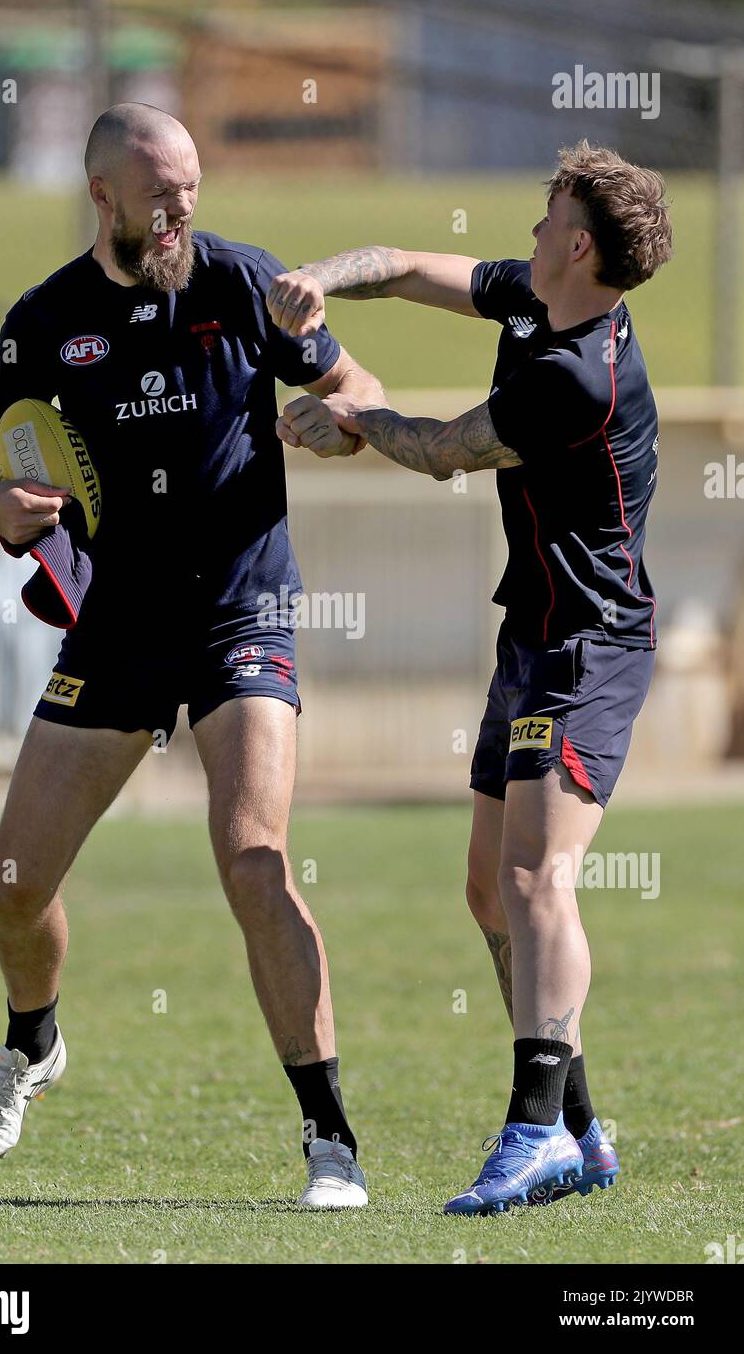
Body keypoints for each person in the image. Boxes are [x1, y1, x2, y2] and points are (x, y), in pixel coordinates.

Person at [0, 103, 384, 1209]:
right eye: (161, 190)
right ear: (105, 196)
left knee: (252, 858)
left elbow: (357, 389)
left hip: (240, 610)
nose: (182, 205)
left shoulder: (245, 284)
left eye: (192, 184)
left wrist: (334, 424)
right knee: (11, 884)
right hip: (116, 626)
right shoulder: (46, 320)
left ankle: (329, 1139)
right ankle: (31, 1041)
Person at [268, 141, 672, 1213]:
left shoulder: (573, 374)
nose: (529, 231)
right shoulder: (533, 304)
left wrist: (348, 422)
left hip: (590, 643)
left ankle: (533, 1124)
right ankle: (581, 1132)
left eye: (547, 217)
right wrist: (320, 279)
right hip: (531, 631)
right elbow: (401, 264)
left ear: (577, 245)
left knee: (538, 878)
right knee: (487, 887)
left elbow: (446, 446)